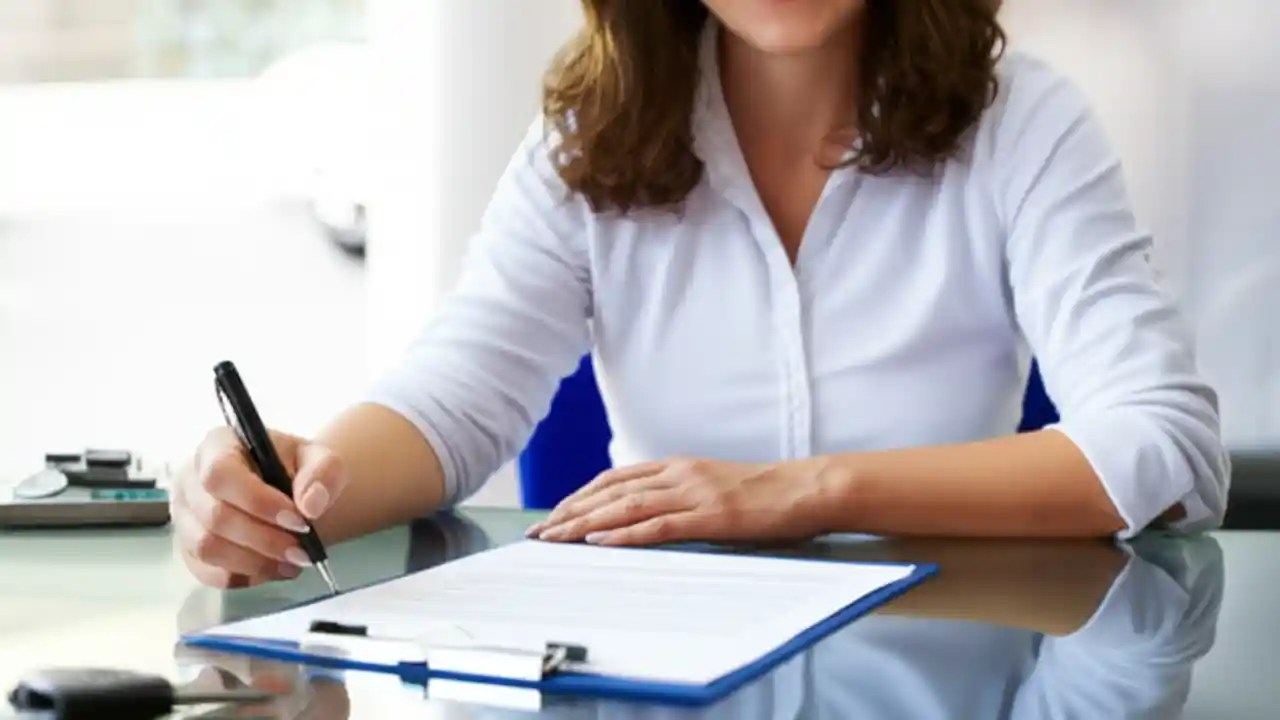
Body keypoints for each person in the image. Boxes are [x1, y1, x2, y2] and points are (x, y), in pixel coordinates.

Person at [173, 0, 1229, 589]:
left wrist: (802, 491)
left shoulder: (1020, 126)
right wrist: (293, 489)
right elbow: (453, 400)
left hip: (945, 659)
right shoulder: (588, 144)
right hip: (661, 663)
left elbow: (1165, 451)